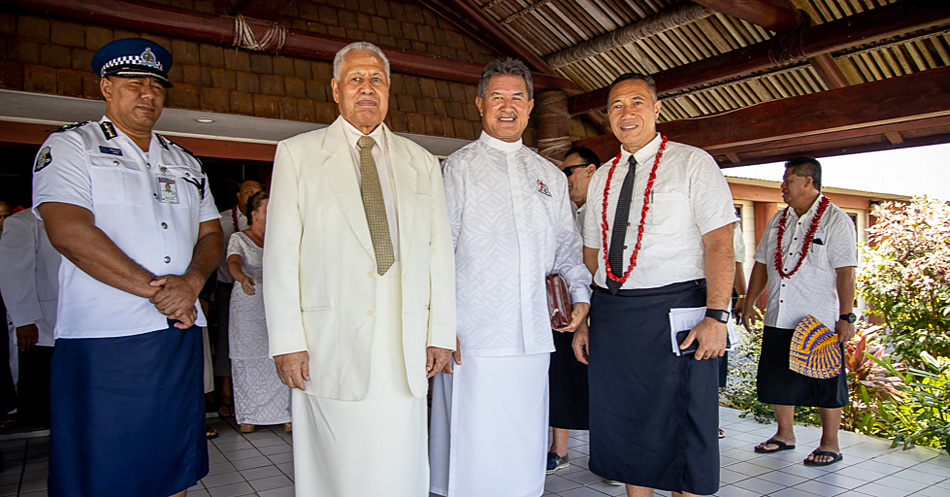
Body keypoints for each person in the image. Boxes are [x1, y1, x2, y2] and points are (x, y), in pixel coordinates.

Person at [264, 41, 455, 497]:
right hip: (330, 342)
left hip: (404, 343)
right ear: (335, 89)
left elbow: (438, 253)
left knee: (400, 464)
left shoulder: (422, 162)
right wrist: (288, 341)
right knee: (337, 468)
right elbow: (281, 254)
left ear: (388, 89)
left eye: (376, 79)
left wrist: (440, 333)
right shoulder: (298, 154)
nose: (366, 88)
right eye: (355, 79)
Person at [32, 38, 222, 497]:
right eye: (134, 83)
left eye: (156, 86)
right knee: (105, 468)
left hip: (176, 332)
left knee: (173, 460)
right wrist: (159, 291)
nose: (147, 95)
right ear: (105, 87)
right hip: (105, 337)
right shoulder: (72, 146)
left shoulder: (185, 160)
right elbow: (69, 231)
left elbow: (211, 234)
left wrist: (193, 282)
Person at [429, 58, 591, 497]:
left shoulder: (549, 176)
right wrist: (440, 325)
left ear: (531, 105)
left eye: (517, 97)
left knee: (522, 440)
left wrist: (581, 297)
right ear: (480, 104)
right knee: (472, 444)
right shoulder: (457, 168)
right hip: (472, 333)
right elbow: (436, 251)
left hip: (534, 332)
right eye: (497, 97)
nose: (507, 106)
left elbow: (567, 249)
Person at [573, 72, 735, 497]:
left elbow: (719, 241)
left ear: (657, 108)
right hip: (614, 313)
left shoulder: (692, 162)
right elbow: (591, 255)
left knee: (685, 429)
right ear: (607, 116)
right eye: (616, 106)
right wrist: (588, 319)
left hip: (677, 309)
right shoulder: (603, 176)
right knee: (625, 422)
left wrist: (718, 316)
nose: (626, 113)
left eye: (637, 102)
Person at [743, 156, 857, 466]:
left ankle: (830, 443)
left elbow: (846, 272)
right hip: (780, 313)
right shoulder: (780, 220)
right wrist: (749, 300)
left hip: (817, 318)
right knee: (778, 376)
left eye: (788, 180)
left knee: (827, 382)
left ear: (808, 181)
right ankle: (784, 434)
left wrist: (846, 316)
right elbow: (763, 263)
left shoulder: (836, 220)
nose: (783, 187)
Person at [547, 146, 601, 474]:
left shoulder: (608, 209)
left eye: (569, 171)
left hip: (607, 307)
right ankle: (560, 449)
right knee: (562, 376)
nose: (564, 179)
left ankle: (608, 454)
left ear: (591, 170)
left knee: (604, 382)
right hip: (565, 309)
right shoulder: (562, 210)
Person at [227, 191, 291, 433]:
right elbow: (232, 262)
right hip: (248, 300)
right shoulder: (238, 238)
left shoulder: (279, 238)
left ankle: (285, 414)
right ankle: (249, 415)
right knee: (248, 356)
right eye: (267, 210)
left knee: (277, 352)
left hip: (275, 302)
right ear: (254, 215)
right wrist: (241, 277)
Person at [0, 209, 60, 428]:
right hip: (41, 320)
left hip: (73, 320)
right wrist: (23, 319)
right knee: (37, 380)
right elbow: (13, 273)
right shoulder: (24, 222)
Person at [214, 179, 263, 417]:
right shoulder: (224, 221)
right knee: (230, 343)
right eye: (249, 191)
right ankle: (226, 395)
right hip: (232, 288)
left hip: (269, 297)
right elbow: (230, 260)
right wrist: (241, 277)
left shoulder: (278, 229)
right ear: (239, 195)